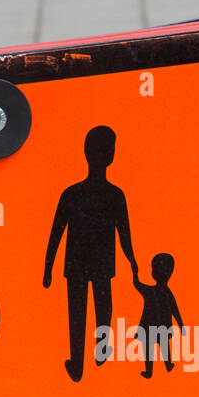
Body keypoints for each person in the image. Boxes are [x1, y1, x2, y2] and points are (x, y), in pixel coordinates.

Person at [43, 126, 138, 382]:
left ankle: (79, 362)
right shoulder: (113, 194)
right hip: (99, 263)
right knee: (102, 307)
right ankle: (99, 351)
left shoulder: (73, 193)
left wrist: (48, 267)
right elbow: (124, 235)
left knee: (79, 314)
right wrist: (133, 263)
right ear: (110, 155)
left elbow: (56, 234)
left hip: (77, 264)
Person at [134, 253, 183, 379]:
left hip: (150, 326)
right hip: (161, 325)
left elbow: (137, 284)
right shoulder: (165, 292)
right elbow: (175, 310)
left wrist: (135, 272)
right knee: (162, 344)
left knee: (150, 348)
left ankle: (154, 370)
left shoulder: (152, 291)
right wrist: (181, 325)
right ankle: (167, 365)